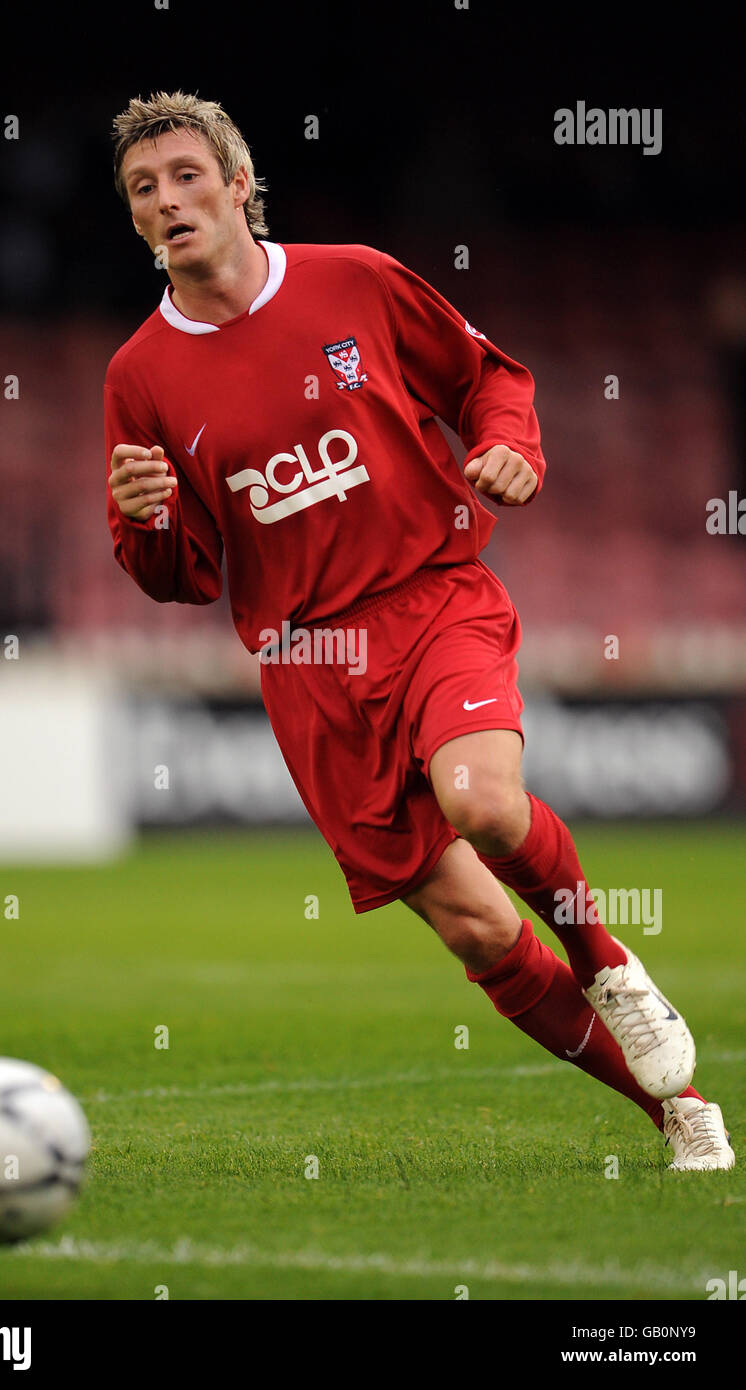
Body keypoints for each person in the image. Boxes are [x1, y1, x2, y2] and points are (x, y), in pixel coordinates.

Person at [105, 90, 733, 1171]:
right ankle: (672, 1113)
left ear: (239, 184)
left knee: (482, 805)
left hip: (429, 596)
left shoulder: (353, 277)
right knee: (478, 931)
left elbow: (487, 377)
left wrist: (512, 451)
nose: (168, 200)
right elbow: (181, 575)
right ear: (133, 219)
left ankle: (608, 965)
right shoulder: (138, 377)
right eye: (143, 189)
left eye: (186, 176)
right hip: (306, 667)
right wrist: (144, 515)